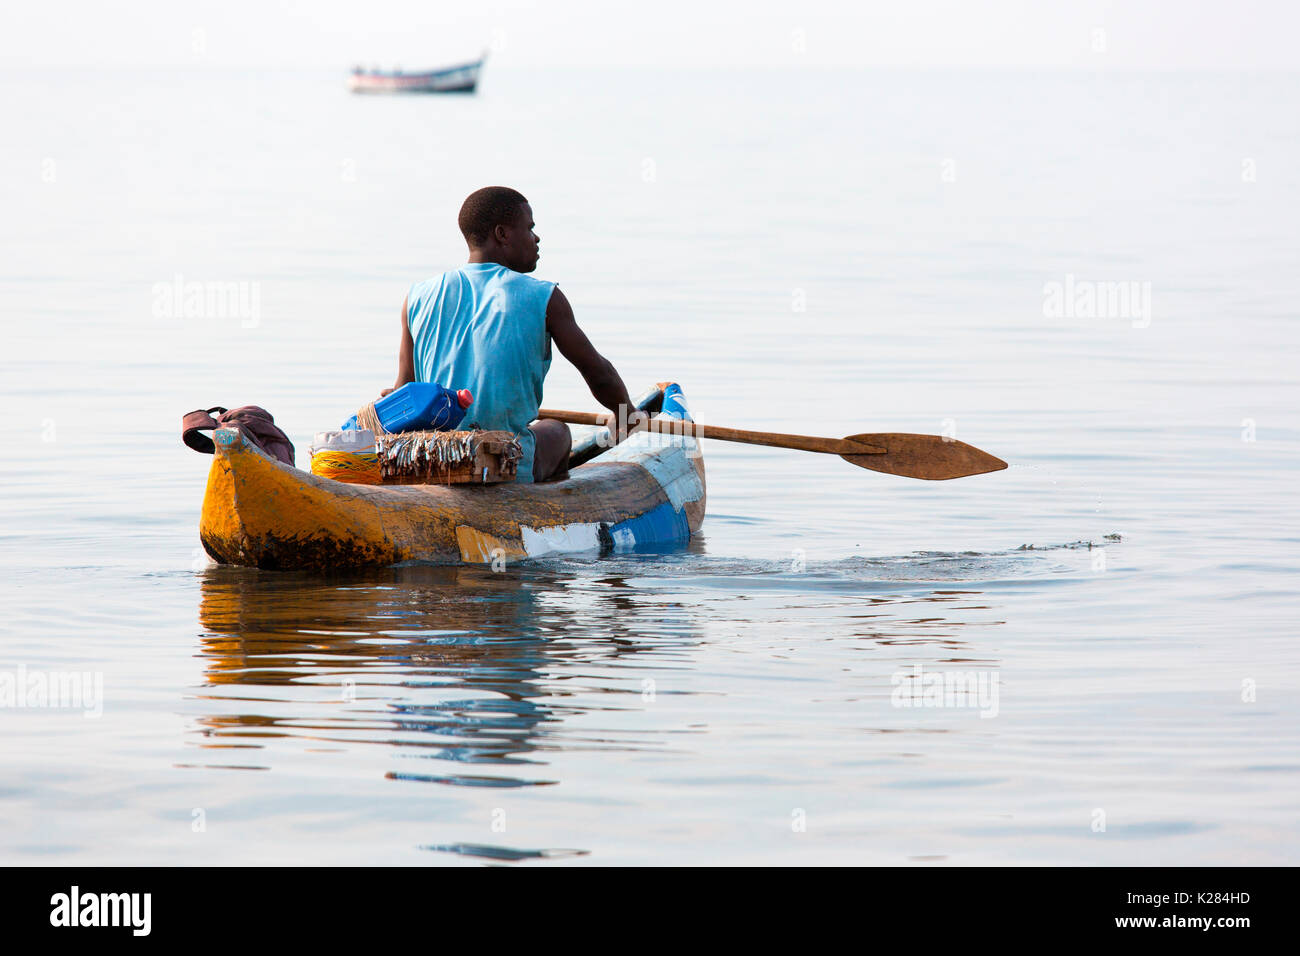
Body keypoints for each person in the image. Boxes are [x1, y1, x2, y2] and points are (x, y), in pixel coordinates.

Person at [383, 186, 638, 482]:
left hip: (435, 462)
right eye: (529, 228)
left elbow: (403, 391)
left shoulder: (417, 297)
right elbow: (598, 373)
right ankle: (546, 512)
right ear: (502, 234)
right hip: (503, 464)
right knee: (557, 430)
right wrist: (626, 414)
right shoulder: (545, 297)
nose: (536, 238)